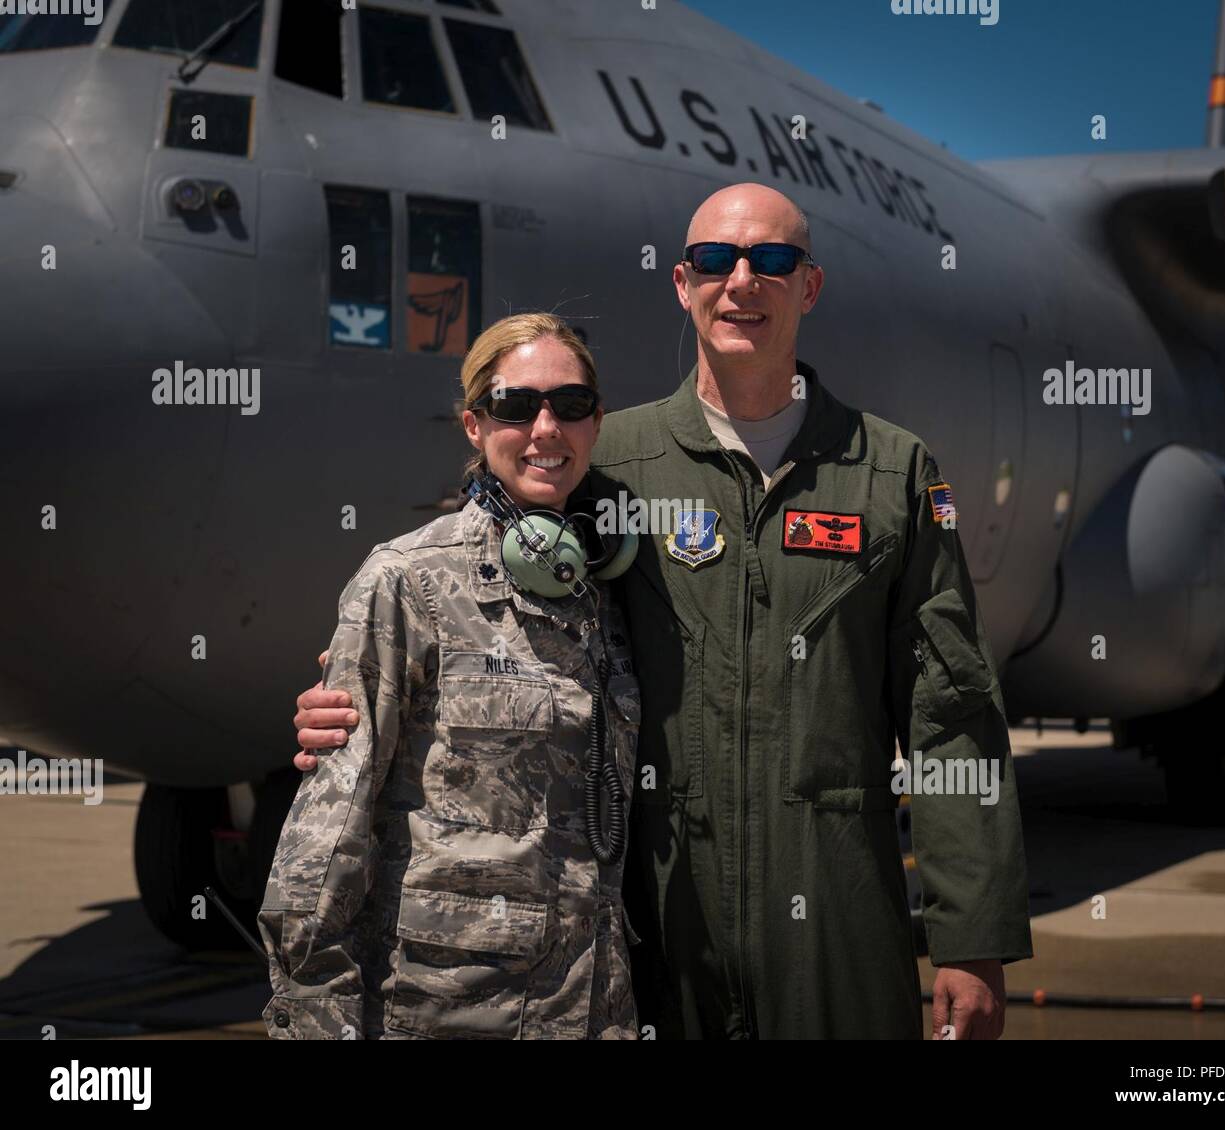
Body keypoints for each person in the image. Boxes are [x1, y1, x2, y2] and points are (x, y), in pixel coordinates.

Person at [294, 184, 1033, 1040]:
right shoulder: (611, 468)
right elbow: (466, 601)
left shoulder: (891, 474)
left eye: (773, 261)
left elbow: (951, 713)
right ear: (684, 284)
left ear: (811, 286)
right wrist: (348, 696)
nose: (743, 282)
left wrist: (970, 938)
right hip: (654, 917)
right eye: (717, 262)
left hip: (838, 912)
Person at [261, 313, 641, 1040]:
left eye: (568, 406)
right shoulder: (406, 581)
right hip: (447, 1011)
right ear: (473, 424)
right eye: (514, 406)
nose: (544, 428)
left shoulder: (611, 594)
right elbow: (324, 836)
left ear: (597, 423)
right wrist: (314, 1020)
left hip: (595, 1012)